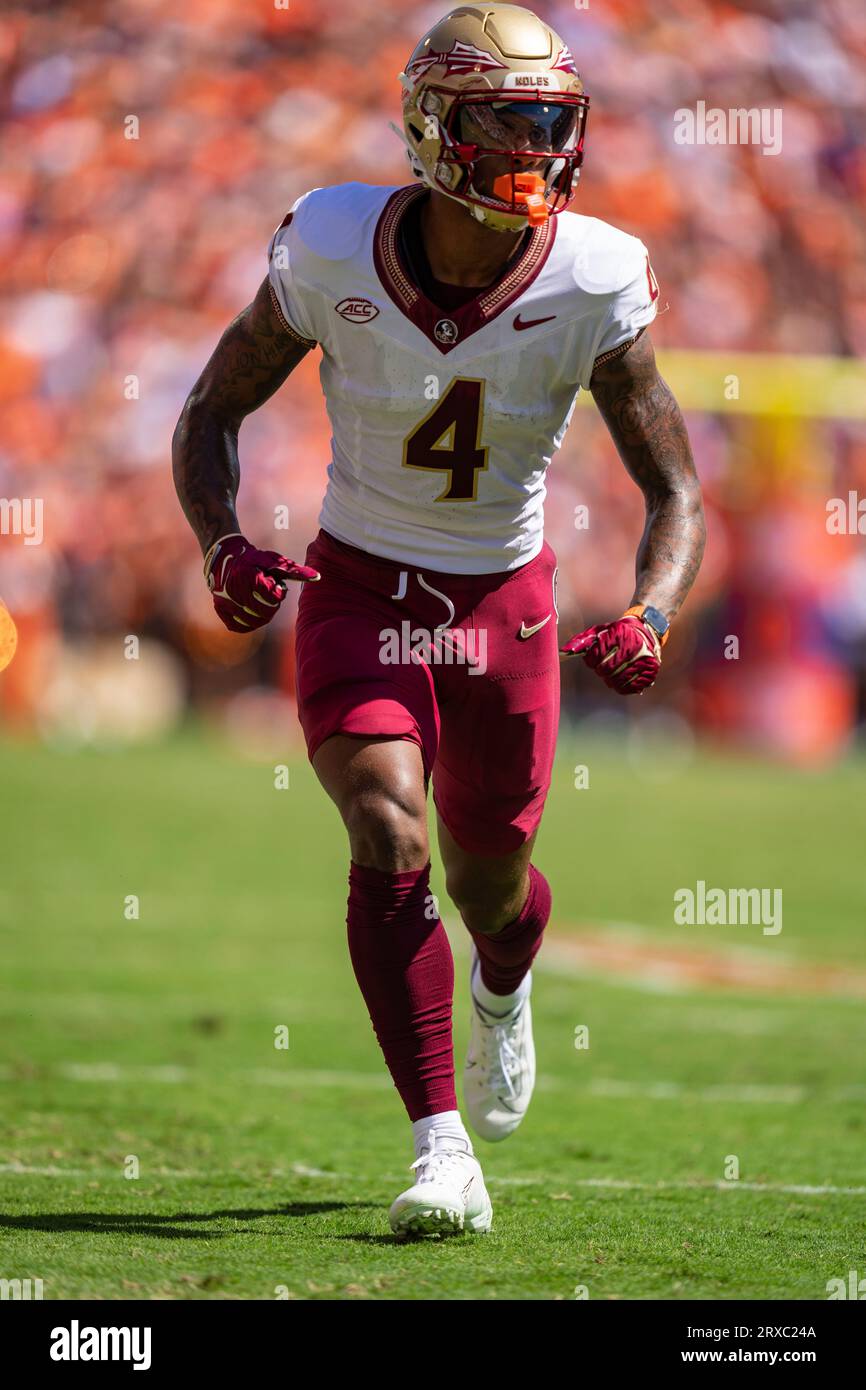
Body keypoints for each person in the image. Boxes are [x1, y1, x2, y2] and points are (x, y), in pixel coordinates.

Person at [172, 2, 705, 1239]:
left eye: (550, 124)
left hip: (503, 605)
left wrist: (652, 610)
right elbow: (208, 410)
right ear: (430, 126)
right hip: (358, 581)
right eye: (507, 122)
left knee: (489, 877)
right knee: (385, 831)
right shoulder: (331, 243)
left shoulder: (591, 273)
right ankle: (440, 1147)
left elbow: (671, 482)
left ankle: (505, 984)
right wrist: (223, 542)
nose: (537, 150)